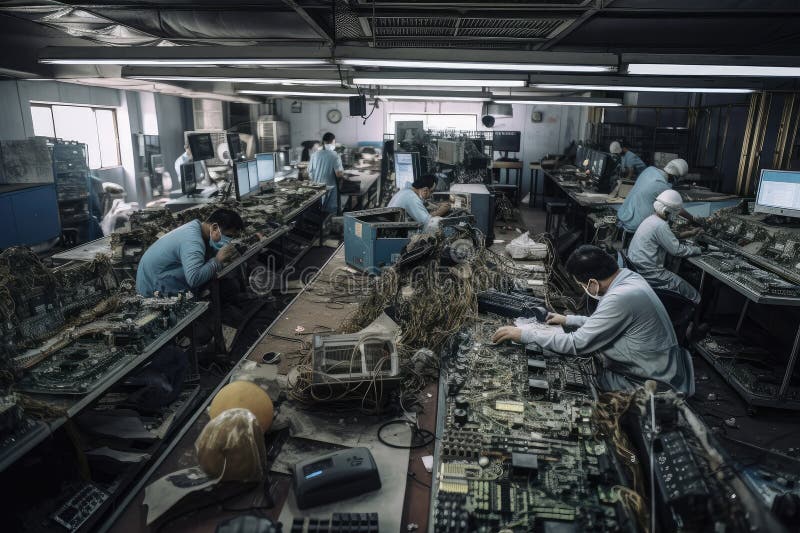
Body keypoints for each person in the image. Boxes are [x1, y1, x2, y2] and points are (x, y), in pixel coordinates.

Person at [492, 245, 693, 394]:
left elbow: (577, 344)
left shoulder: (620, 297)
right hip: (660, 367)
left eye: (582, 285)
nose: (584, 290)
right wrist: (568, 319)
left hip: (648, 381)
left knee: (581, 382)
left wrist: (525, 334)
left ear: (593, 283)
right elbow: (606, 323)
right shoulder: (628, 278)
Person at [136, 209, 244, 297]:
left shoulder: (196, 227)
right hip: (153, 289)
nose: (229, 241)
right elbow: (194, 279)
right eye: (228, 236)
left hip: (158, 277)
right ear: (214, 227)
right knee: (228, 287)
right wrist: (217, 261)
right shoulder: (193, 242)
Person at [628, 189, 703, 304]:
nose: (676, 216)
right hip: (651, 273)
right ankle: (690, 317)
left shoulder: (651, 219)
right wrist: (699, 249)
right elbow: (677, 250)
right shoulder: (661, 225)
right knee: (694, 295)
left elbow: (668, 237)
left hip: (638, 268)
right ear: (668, 211)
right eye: (675, 213)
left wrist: (690, 233)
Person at [617, 158, 697, 233]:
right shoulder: (661, 186)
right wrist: (693, 219)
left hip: (623, 215)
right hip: (636, 224)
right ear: (674, 177)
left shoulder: (649, 170)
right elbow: (678, 209)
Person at [309, 132, 344, 213]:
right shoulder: (334, 155)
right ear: (333, 142)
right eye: (333, 142)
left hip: (316, 189)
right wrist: (343, 174)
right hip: (330, 189)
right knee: (329, 214)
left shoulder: (314, 155)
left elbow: (309, 173)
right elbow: (339, 174)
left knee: (317, 212)